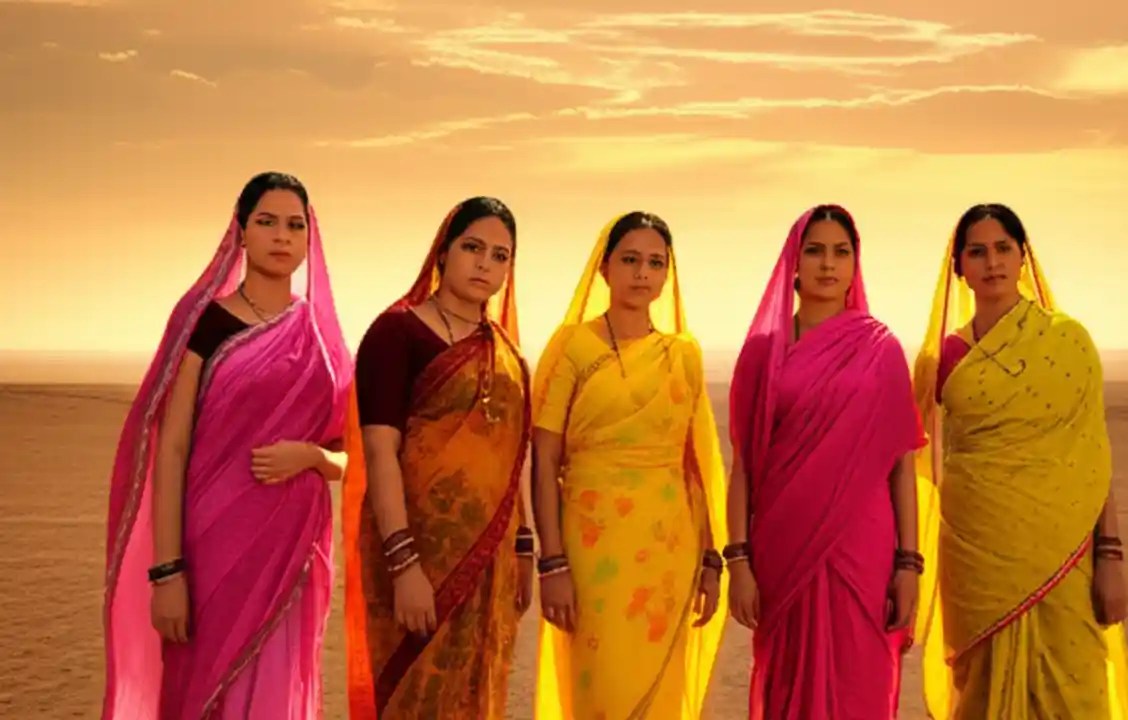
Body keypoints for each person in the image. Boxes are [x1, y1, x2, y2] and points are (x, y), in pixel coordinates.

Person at [101, 172, 353, 719]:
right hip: (211, 552)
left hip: (293, 559)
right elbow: (171, 449)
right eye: (266, 222)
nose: (281, 236)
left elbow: (347, 458)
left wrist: (310, 457)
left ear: (311, 240)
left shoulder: (321, 339)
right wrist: (167, 573)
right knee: (201, 691)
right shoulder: (205, 324)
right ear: (240, 232)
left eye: (295, 225)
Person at [912, 203, 1128, 718]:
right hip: (976, 559)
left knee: (1075, 695)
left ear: (1023, 258)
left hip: (1064, 557)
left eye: (1003, 249)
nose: (991, 262)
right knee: (982, 695)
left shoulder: (1068, 341)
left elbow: (1093, 458)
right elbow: (912, 466)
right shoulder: (939, 361)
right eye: (977, 251)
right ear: (960, 268)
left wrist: (1111, 558)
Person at [725, 204, 925, 719]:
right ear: (793, 261)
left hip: (865, 552)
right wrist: (739, 561)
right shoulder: (761, 354)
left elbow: (900, 465)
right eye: (814, 250)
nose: (828, 263)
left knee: (861, 684)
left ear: (856, 263)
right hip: (783, 548)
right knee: (789, 685)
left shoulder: (880, 350)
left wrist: (909, 563)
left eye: (842, 251)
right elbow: (744, 465)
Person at [342, 196, 535, 720]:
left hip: (489, 562)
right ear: (443, 251)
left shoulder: (507, 353)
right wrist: (405, 565)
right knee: (415, 697)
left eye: (500, 256)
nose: (485, 264)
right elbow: (381, 454)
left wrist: (523, 547)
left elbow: (511, 456)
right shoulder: (396, 333)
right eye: (473, 247)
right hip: (416, 555)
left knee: (477, 693)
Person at [530, 211, 728, 719]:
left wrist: (710, 558)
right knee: (604, 693)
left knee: (659, 695)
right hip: (594, 549)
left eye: (656, 263)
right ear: (605, 268)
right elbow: (545, 455)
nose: (643, 273)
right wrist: (552, 562)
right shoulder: (573, 346)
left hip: (668, 549)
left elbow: (696, 463)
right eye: (631, 260)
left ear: (667, 275)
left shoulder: (682, 354)